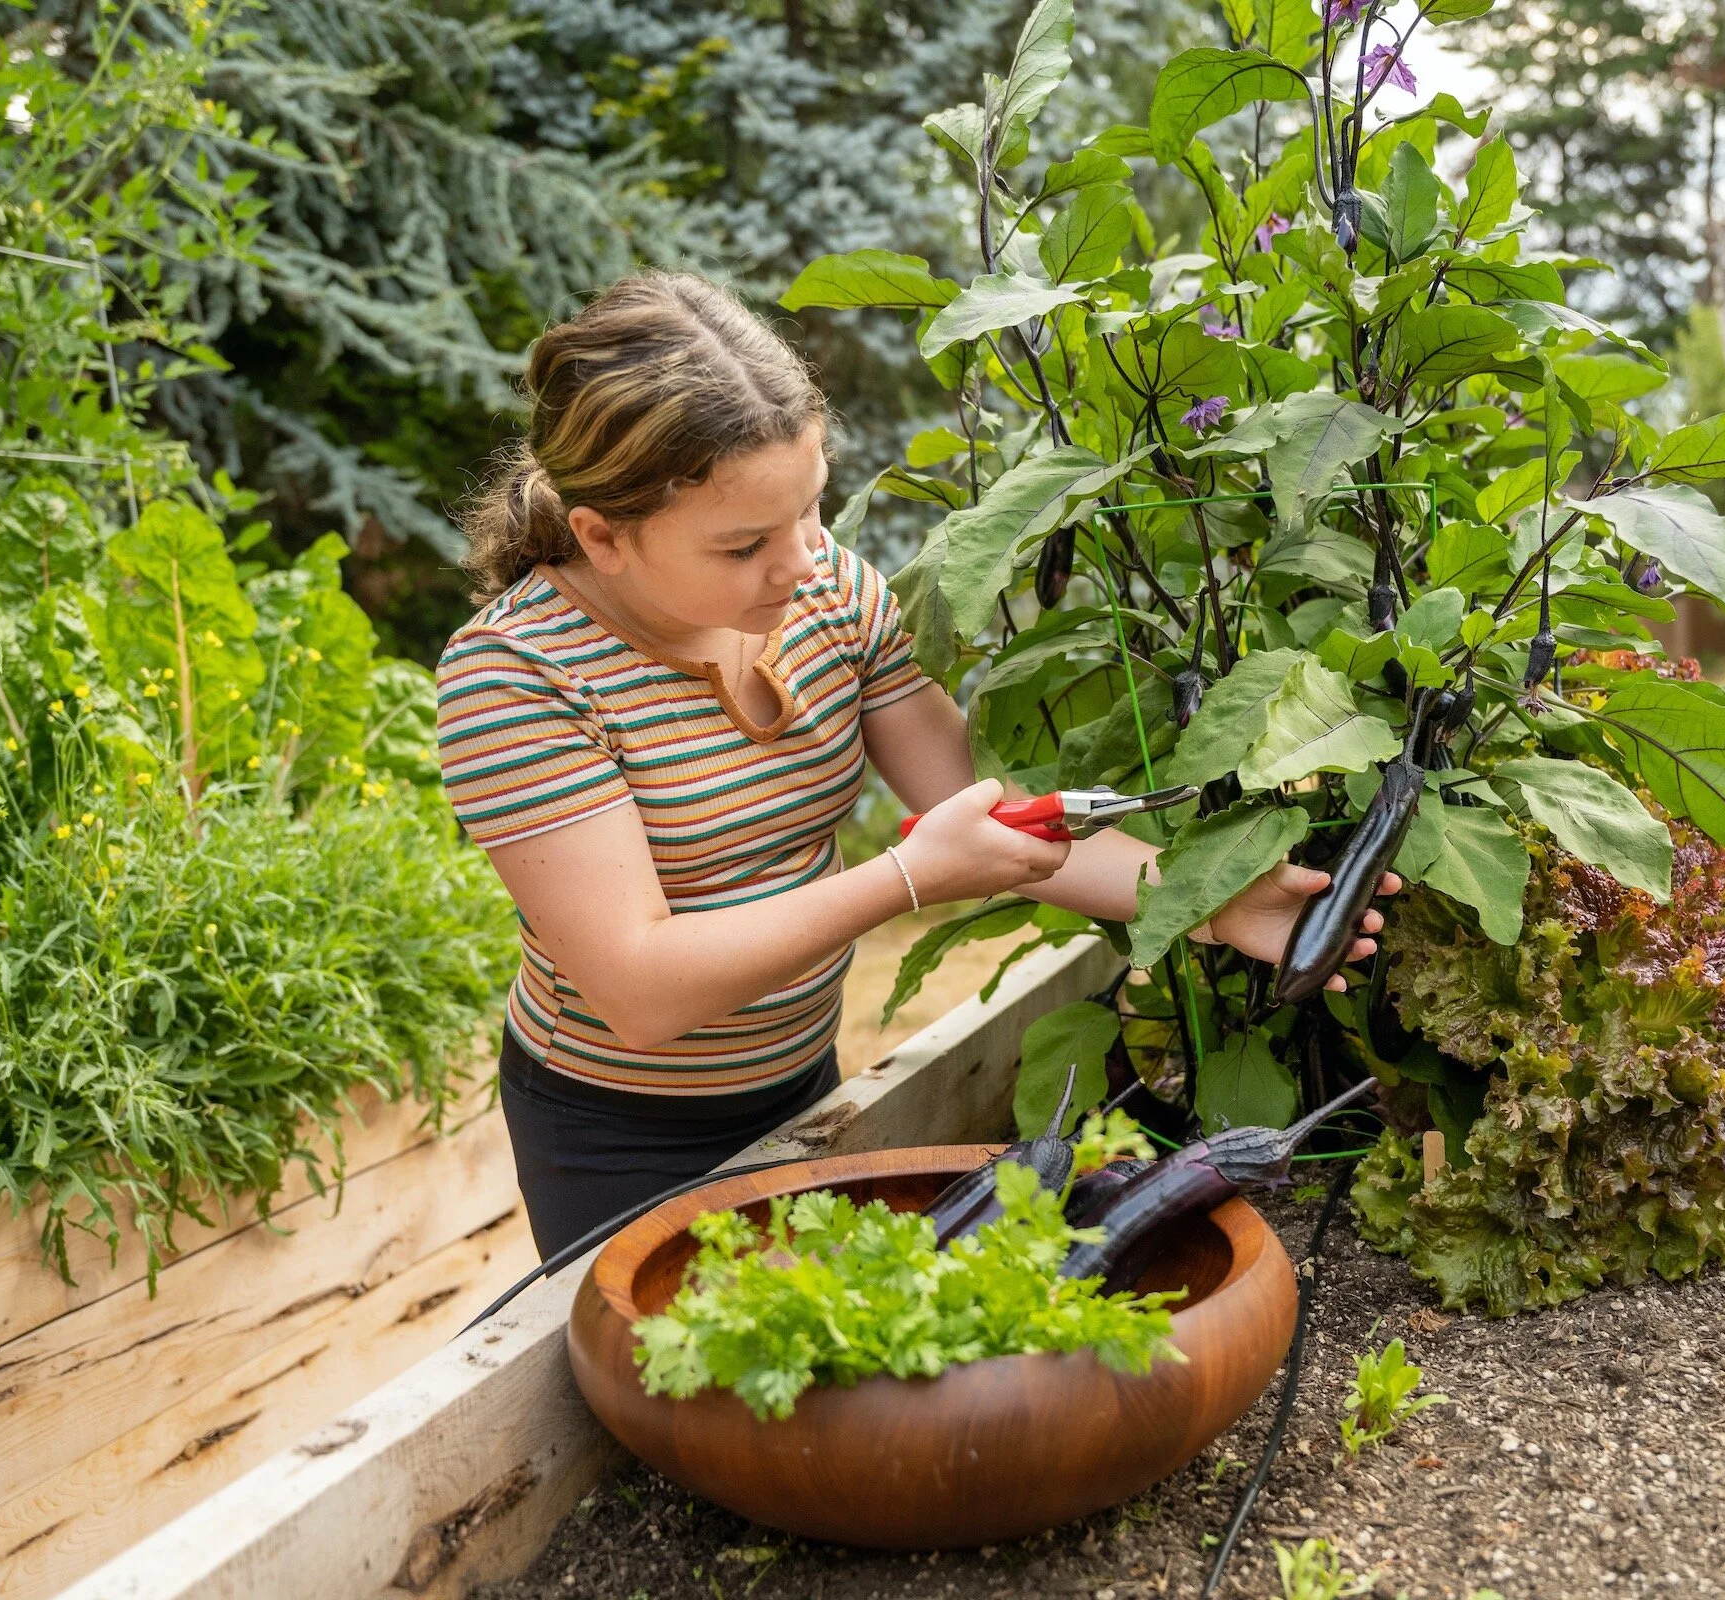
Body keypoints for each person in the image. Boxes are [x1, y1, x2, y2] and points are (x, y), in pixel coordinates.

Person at [437, 270, 1395, 1257]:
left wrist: (1210, 899)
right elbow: (641, 992)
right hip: (617, 1135)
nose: (805, 560)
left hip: (804, 1086)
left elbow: (992, 816)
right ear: (603, 535)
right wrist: (904, 879)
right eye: (744, 544)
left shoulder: (828, 596)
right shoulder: (518, 681)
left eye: (813, 507)